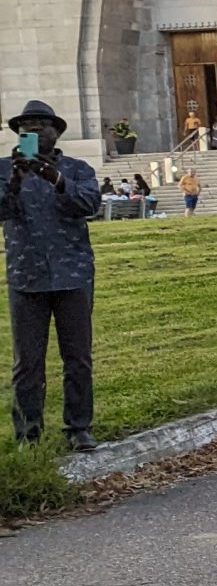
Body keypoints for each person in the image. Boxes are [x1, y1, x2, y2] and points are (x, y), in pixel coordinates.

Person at [3, 100, 101, 450]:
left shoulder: (77, 169)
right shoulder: (3, 170)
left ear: (56, 133)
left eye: (41, 124)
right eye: (25, 125)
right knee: (27, 362)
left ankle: (78, 427)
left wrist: (55, 179)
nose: (32, 129)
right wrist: (15, 181)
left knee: (78, 357)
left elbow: (89, 204)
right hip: (26, 276)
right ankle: (28, 434)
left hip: (73, 274)